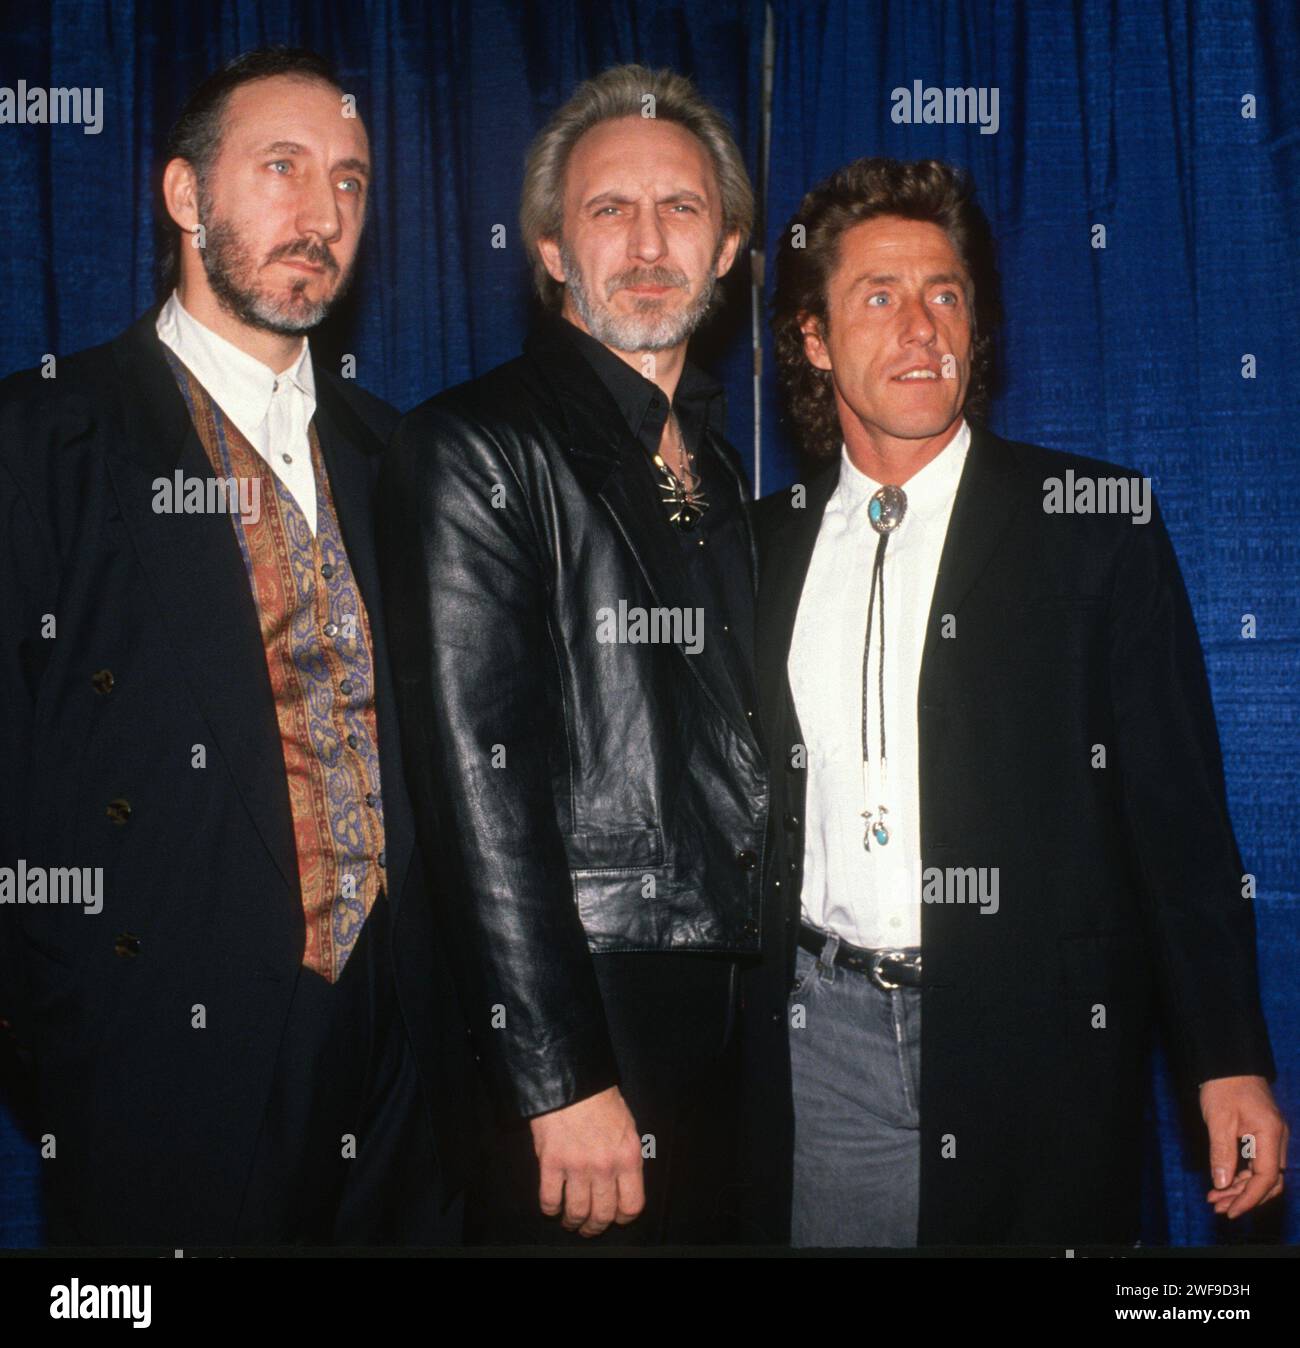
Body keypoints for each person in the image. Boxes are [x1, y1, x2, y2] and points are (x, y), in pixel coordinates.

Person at [741, 155, 1286, 1247]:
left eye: (946, 294)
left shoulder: (1094, 523)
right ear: (810, 337)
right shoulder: (754, 548)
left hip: (1039, 1045)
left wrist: (1226, 1056)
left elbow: (1176, 820)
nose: (921, 326)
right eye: (878, 296)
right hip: (820, 1041)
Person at [0, 46, 469, 1246]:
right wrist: (68, 1038)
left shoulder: (395, 453)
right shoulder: (44, 436)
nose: (323, 213)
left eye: (353, 182)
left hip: (401, 1060)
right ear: (182, 194)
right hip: (161, 1060)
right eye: (282, 168)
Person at [378, 63, 765, 1244]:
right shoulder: (475, 446)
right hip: (588, 1027)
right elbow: (473, 789)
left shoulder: (726, 466)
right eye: (609, 210)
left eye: (681, 210)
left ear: (733, 248)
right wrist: (556, 1073)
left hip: (739, 1027)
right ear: (550, 249)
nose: (647, 243)